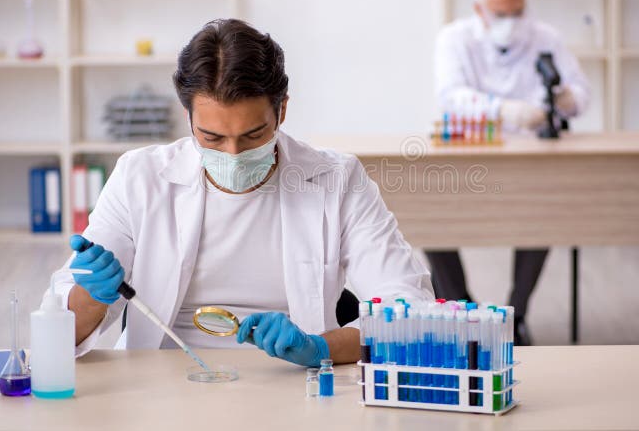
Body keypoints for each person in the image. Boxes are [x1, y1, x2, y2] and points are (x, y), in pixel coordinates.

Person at [52, 19, 434, 367]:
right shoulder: (140, 177)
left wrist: (321, 348)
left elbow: (411, 308)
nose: (233, 154)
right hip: (162, 383)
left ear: (281, 111)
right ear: (188, 117)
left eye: (253, 135)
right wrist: (92, 296)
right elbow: (58, 336)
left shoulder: (337, 178)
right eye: (212, 137)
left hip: (292, 382)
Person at [427, 0, 590, 345]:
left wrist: (566, 97)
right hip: (469, 156)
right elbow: (450, 95)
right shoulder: (454, 38)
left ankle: (515, 317)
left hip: (530, 160)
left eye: (517, 11)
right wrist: (507, 111)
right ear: (478, 9)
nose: (510, 22)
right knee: (430, 215)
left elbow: (581, 95)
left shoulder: (545, 37)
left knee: (543, 216)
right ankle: (462, 310)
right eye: (500, 13)